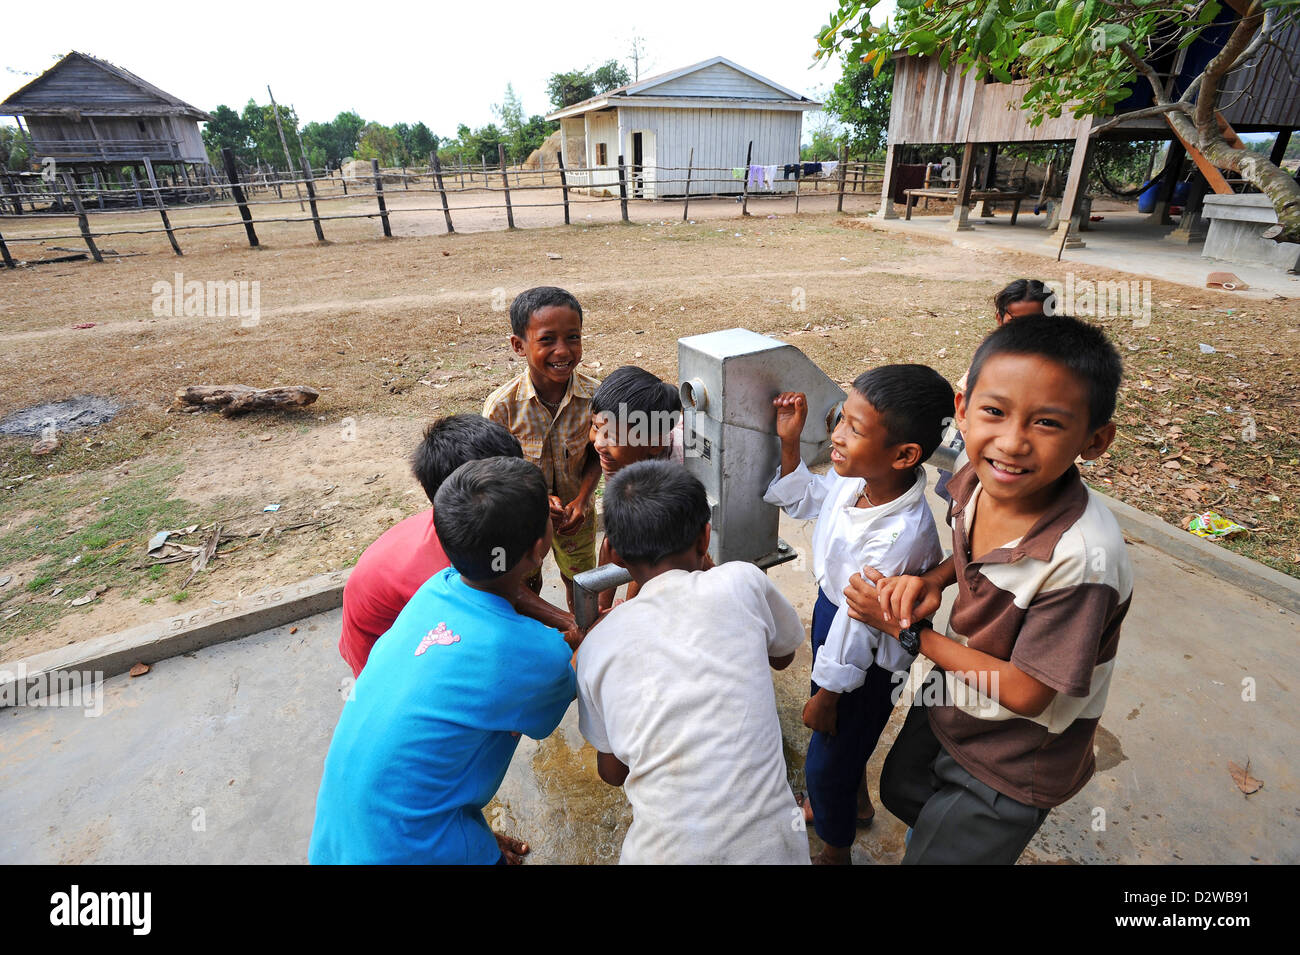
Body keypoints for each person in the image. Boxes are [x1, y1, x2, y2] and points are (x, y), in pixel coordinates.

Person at [844, 314, 1132, 865]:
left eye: (1047, 422)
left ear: (1094, 440)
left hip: (1016, 754)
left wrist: (906, 632)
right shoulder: (978, 478)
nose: (1013, 442)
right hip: (956, 698)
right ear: (962, 409)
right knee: (904, 791)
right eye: (994, 412)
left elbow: (1027, 693)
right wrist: (931, 581)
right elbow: (968, 548)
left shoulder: (1081, 562)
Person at [309, 457, 577, 865]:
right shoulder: (538, 655)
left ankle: (462, 836)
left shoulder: (435, 589)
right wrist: (587, 644)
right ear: (541, 547)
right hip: (407, 851)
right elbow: (566, 688)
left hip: (338, 838)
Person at [763, 365, 954, 865]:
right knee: (845, 742)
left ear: (905, 454)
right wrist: (789, 443)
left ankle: (835, 850)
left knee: (826, 758)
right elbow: (808, 500)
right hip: (837, 625)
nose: (837, 436)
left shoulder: (901, 534)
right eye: (840, 420)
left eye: (854, 428)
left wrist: (827, 695)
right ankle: (855, 802)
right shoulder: (863, 482)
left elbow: (861, 625)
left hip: (867, 658)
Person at [576, 460, 810, 865]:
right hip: (778, 851)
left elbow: (612, 774)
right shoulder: (742, 580)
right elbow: (784, 655)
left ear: (612, 553)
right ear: (706, 537)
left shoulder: (595, 647)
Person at [338, 415, 572, 678]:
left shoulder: (465, 529)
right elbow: (503, 635)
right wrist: (570, 634)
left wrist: (566, 621)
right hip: (388, 658)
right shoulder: (442, 578)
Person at [484, 286, 600, 613]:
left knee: (581, 582)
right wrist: (533, 499)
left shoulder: (595, 397)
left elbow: (596, 455)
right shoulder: (501, 408)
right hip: (521, 523)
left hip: (576, 517)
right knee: (522, 585)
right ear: (519, 345)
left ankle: (582, 636)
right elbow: (493, 473)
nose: (562, 351)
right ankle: (536, 644)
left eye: (573, 337)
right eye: (547, 339)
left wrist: (584, 498)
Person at [586, 365, 703, 608]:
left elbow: (652, 553)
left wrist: (630, 608)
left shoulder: (677, 472)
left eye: (613, 436)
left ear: (653, 443)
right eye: (596, 427)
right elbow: (611, 548)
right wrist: (601, 611)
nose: (598, 443)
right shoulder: (621, 455)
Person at [938, 278, 1058, 502]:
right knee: (960, 495)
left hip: (1015, 448)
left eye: (1035, 321)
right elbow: (969, 394)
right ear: (999, 319)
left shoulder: (1054, 363)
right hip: (976, 435)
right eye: (1016, 321)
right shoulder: (989, 350)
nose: (1026, 330)